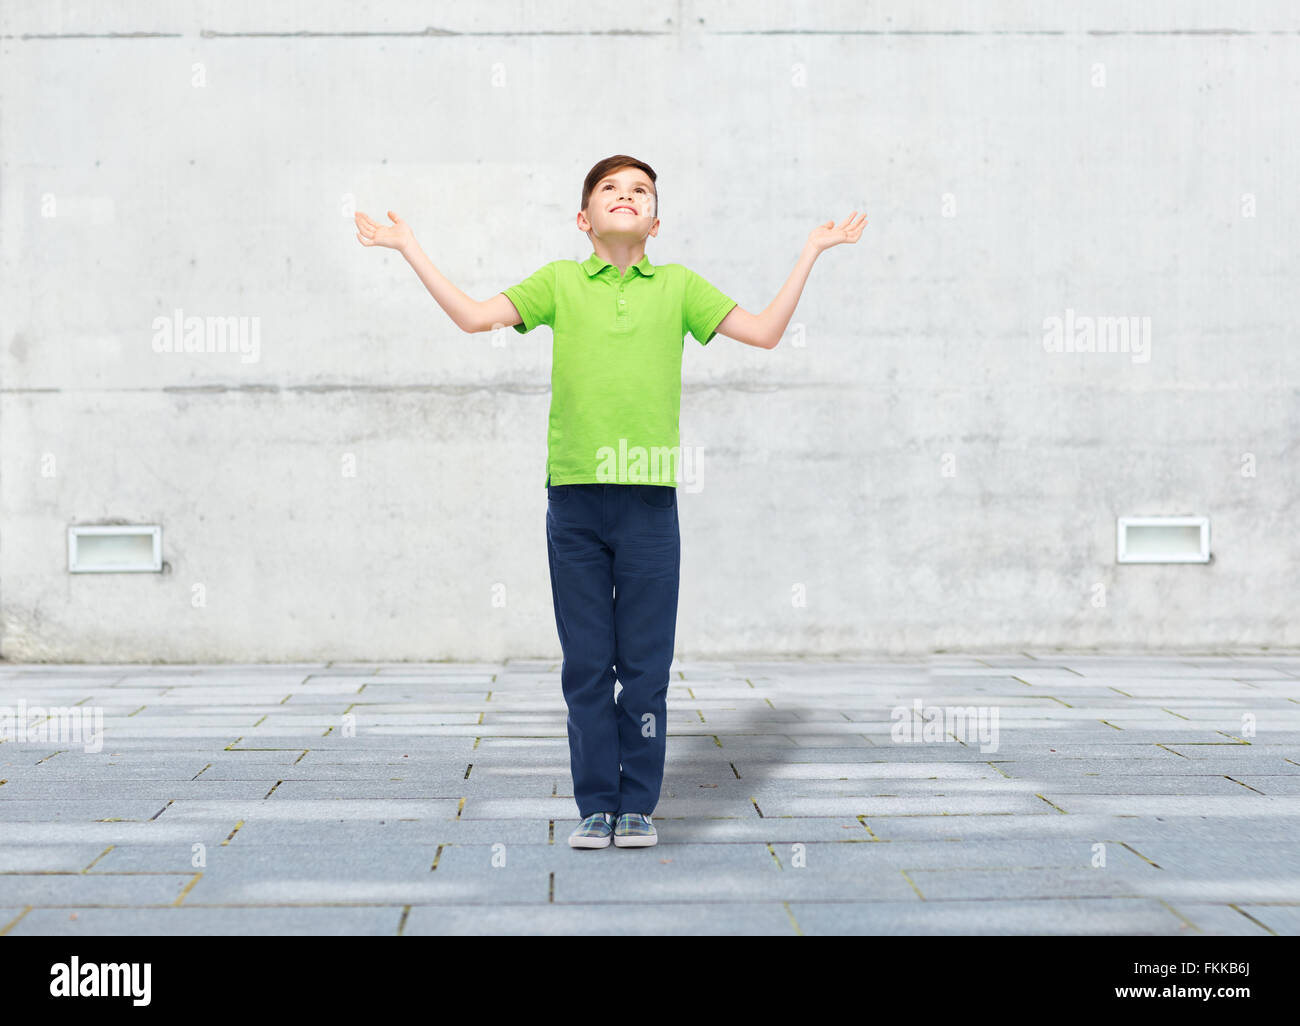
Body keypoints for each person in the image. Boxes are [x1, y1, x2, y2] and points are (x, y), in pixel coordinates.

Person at [355, 154, 866, 850]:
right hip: (574, 502)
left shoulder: (679, 287)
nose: (626, 197)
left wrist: (810, 251)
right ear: (584, 217)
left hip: (650, 503)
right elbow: (475, 318)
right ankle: (597, 804)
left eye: (640, 192)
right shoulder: (561, 283)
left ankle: (638, 806)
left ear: (656, 221)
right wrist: (409, 245)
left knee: (645, 667)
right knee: (588, 664)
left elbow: (767, 331)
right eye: (610, 189)